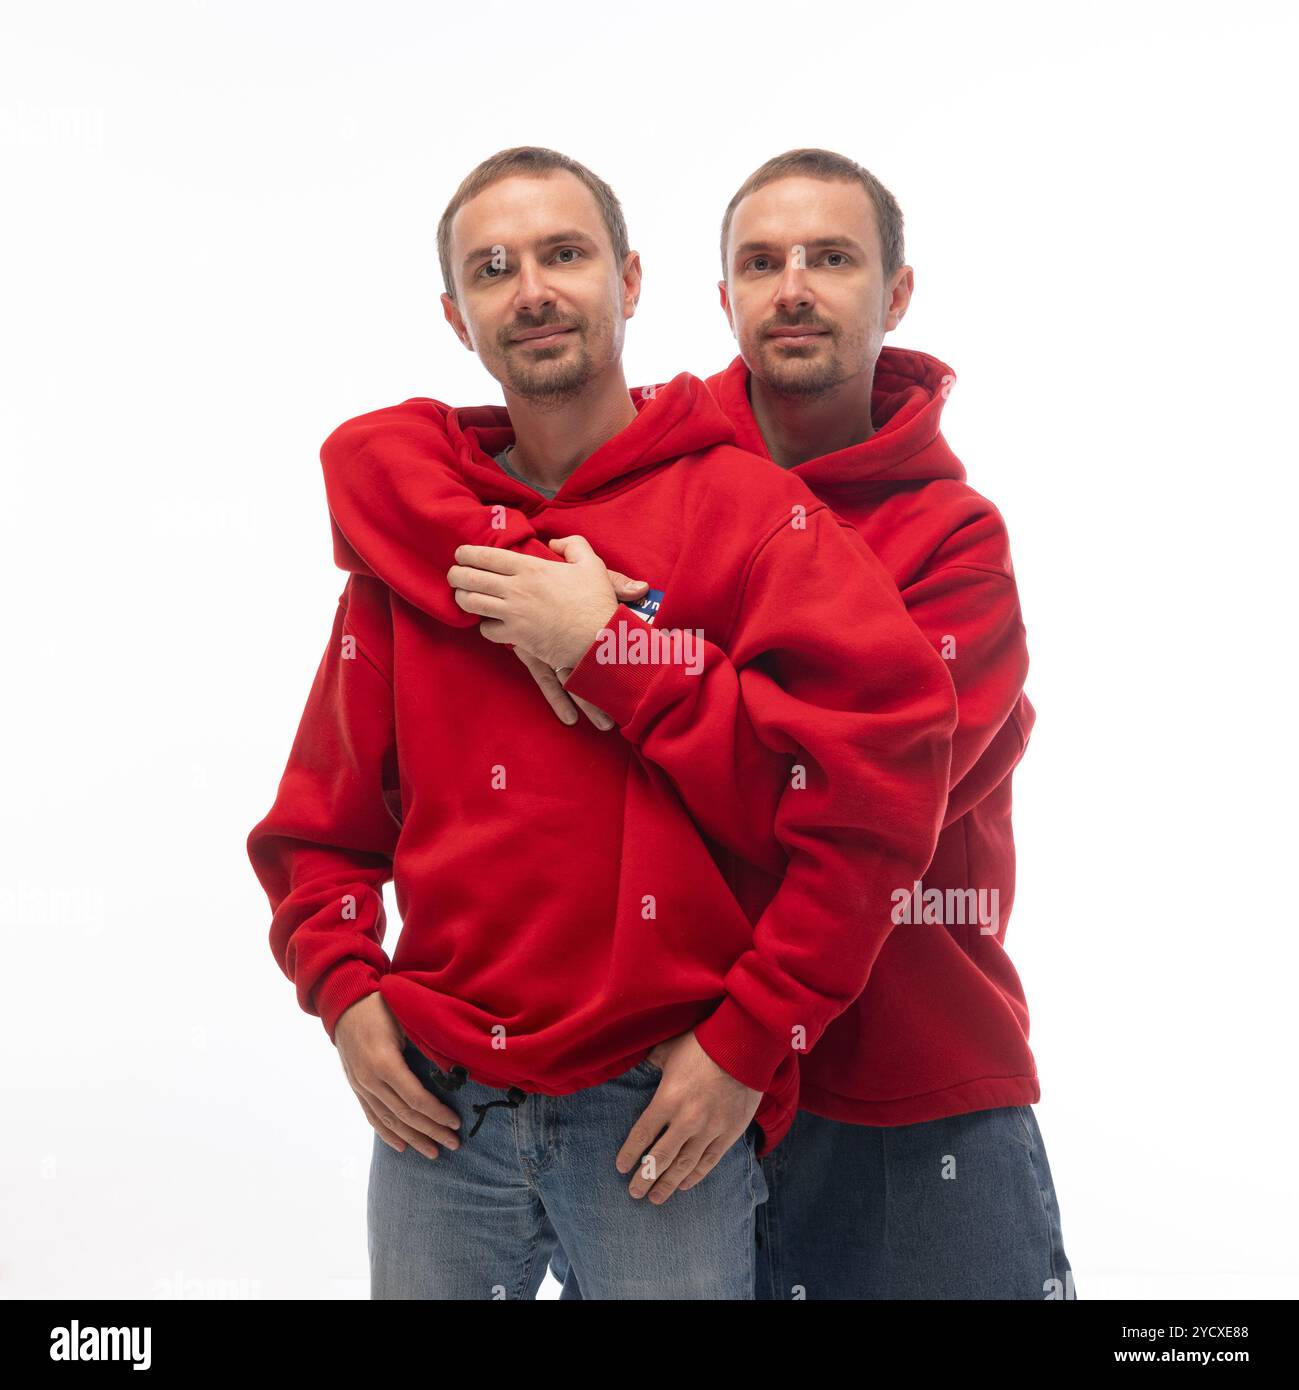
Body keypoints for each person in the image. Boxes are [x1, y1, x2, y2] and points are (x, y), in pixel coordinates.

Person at [318, 147, 1074, 1300]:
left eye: (832, 258)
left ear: (897, 292)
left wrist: (614, 648)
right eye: (762, 262)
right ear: (713, 297)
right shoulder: (641, 488)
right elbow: (375, 458)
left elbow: (858, 806)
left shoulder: (947, 541)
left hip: (896, 1081)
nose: (795, 288)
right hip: (652, 1083)